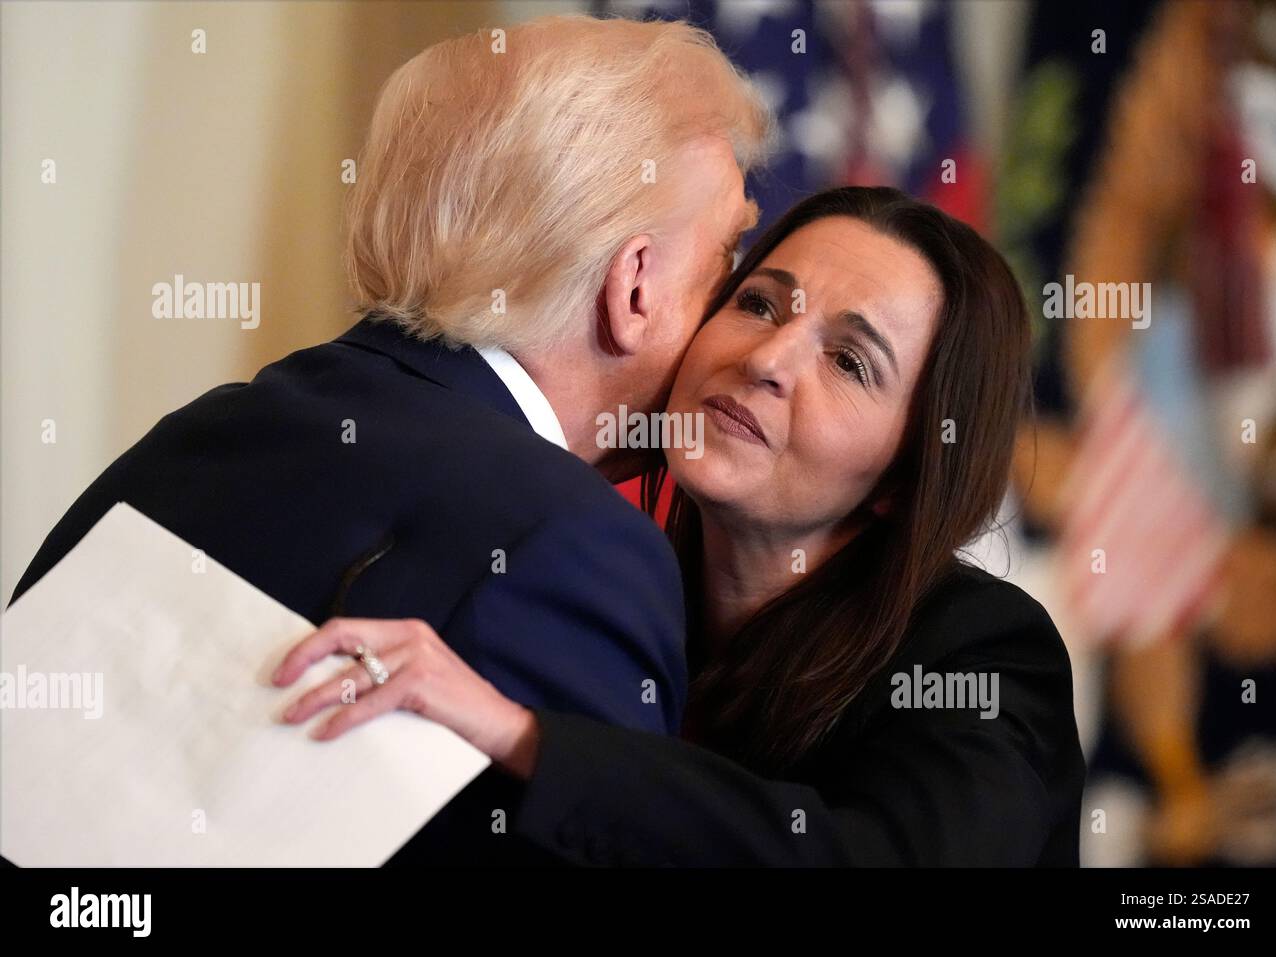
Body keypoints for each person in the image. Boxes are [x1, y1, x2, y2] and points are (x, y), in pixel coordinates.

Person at [7, 15, 771, 865]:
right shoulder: (576, 547)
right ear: (635, 287)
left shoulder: (208, 427)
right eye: (729, 251)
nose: (745, 317)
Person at [275, 186, 1088, 866]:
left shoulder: (985, 649)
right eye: (760, 303)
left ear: (906, 478)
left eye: (849, 362)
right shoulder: (606, 587)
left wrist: (526, 739)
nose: (768, 359)